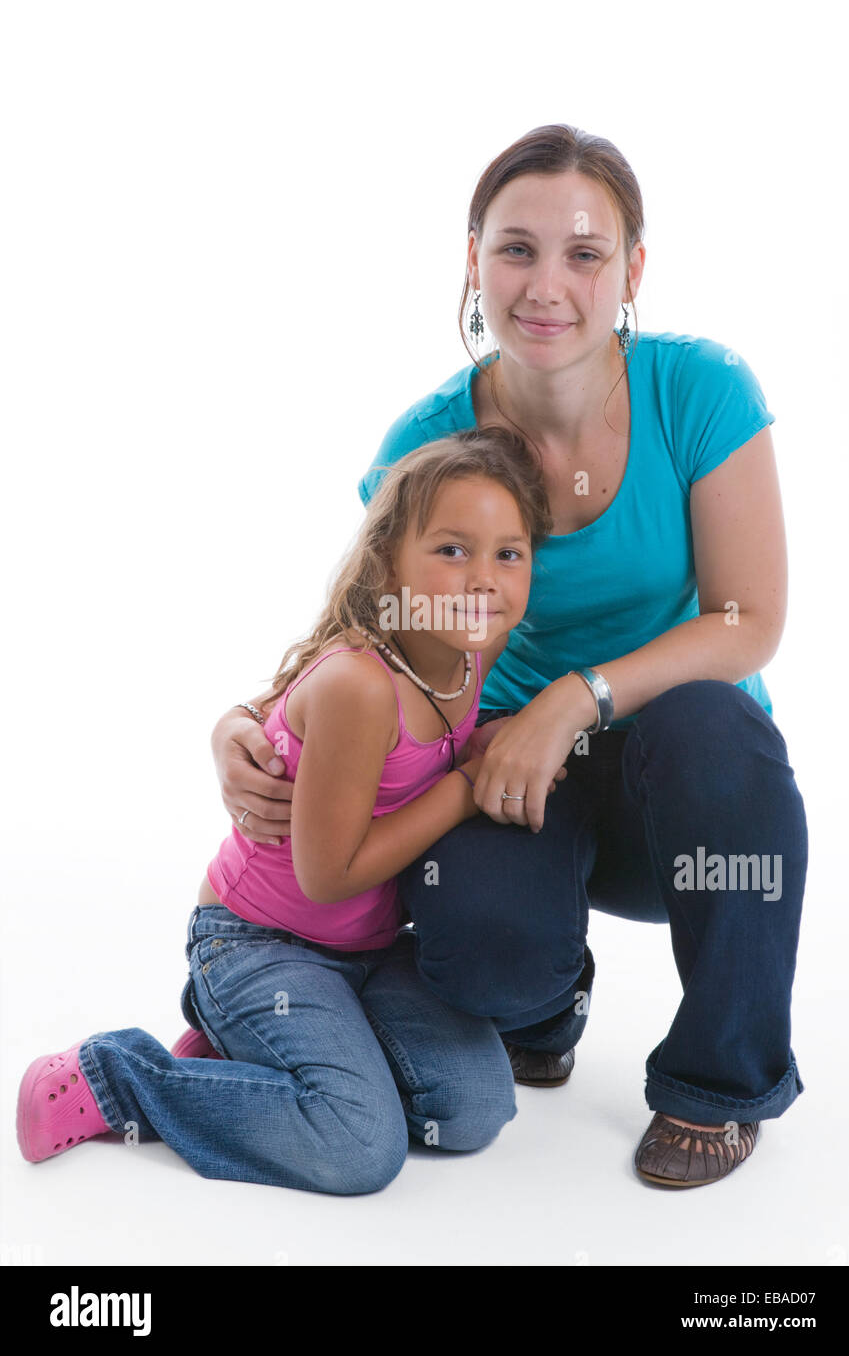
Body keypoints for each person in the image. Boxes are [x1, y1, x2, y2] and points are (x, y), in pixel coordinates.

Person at [209, 123, 809, 1188]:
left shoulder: (699, 391)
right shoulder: (425, 441)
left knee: (712, 726)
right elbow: (365, 624)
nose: (545, 283)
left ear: (630, 270)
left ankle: (717, 1084)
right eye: (514, 248)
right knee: (481, 947)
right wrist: (240, 724)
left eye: (583, 253)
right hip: (504, 777)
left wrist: (573, 700)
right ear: (472, 260)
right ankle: (544, 998)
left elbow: (746, 618)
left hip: (688, 781)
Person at [17, 429, 569, 1194]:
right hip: (258, 942)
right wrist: (465, 785)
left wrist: (501, 736)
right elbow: (329, 874)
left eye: (508, 554)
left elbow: (440, 744)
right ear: (389, 566)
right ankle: (113, 1078)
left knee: (475, 1108)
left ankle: (259, 1061)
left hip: (373, 952)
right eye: (451, 550)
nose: (483, 580)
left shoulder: (478, 646)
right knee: (358, 1147)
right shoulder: (360, 685)